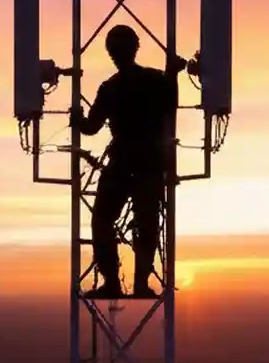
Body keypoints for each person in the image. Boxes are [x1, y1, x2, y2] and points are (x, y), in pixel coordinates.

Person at [72, 25, 185, 299]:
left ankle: (116, 282)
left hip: (127, 162)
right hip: (147, 162)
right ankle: (139, 283)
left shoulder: (112, 87)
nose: (115, 53)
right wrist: (172, 75)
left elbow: (90, 128)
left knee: (105, 220)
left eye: (116, 48)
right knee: (145, 221)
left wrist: (76, 116)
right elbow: (170, 113)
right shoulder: (154, 81)